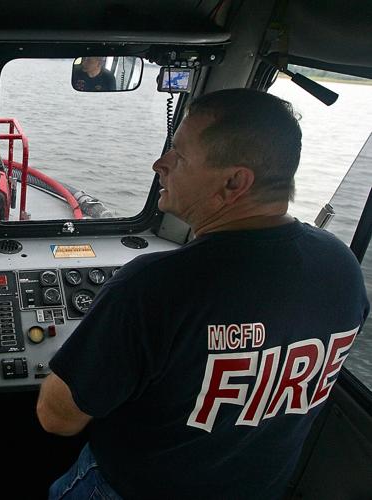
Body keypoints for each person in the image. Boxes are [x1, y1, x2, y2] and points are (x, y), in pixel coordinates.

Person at [37, 89, 369, 499]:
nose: (160, 164)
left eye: (178, 154)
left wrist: (89, 343)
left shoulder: (155, 286)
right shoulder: (341, 265)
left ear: (234, 182)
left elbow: (57, 418)